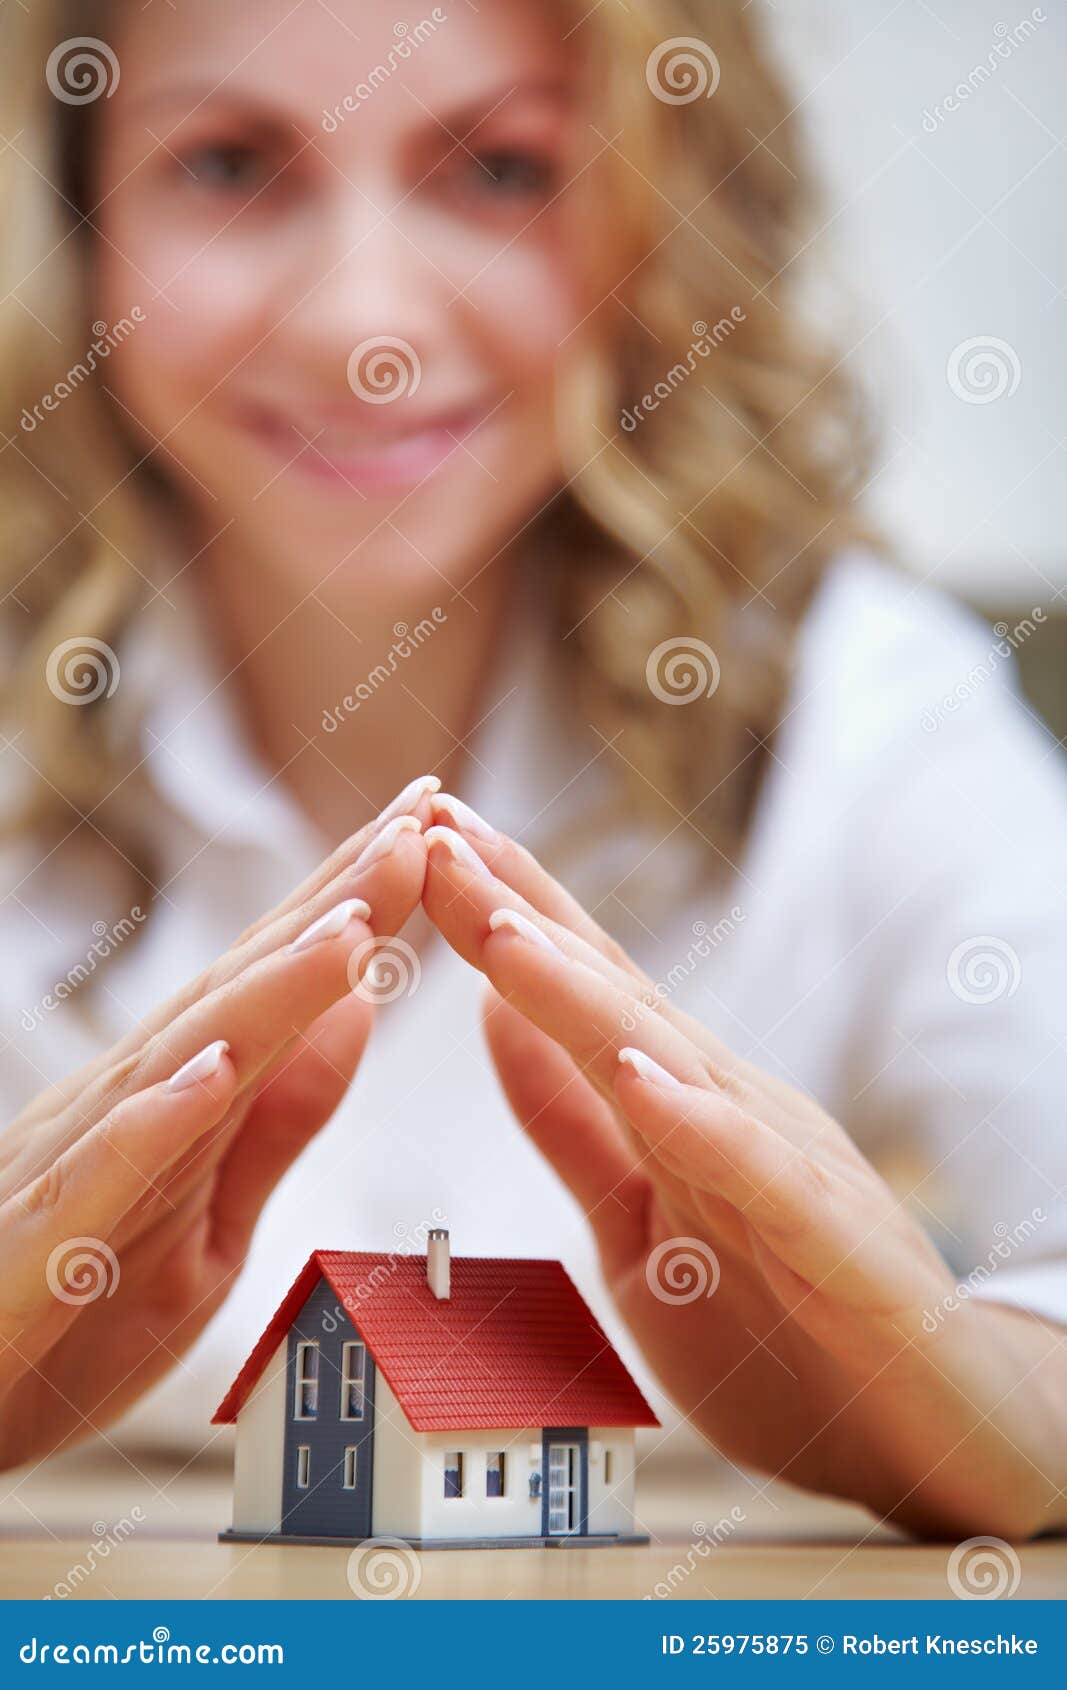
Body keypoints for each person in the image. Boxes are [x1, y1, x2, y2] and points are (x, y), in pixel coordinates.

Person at [1, 0, 1064, 1540]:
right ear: (68, 217)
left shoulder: (865, 707)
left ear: (671, 216)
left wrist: (1019, 1409)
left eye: (500, 169)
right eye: (228, 163)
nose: (360, 320)